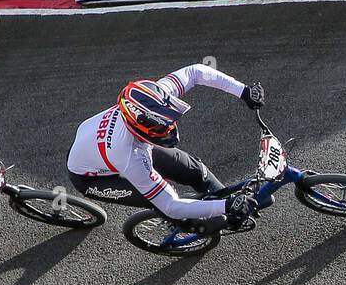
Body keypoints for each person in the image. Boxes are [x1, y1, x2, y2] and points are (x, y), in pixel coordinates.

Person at [67, 64, 265, 227]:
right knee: (162, 205)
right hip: (89, 178)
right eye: (161, 129)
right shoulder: (128, 156)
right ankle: (191, 229)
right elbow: (172, 205)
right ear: (140, 128)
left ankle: (224, 201)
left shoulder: (153, 95)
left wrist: (243, 90)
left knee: (194, 170)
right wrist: (225, 207)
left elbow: (196, 72)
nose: (169, 130)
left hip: (101, 146)